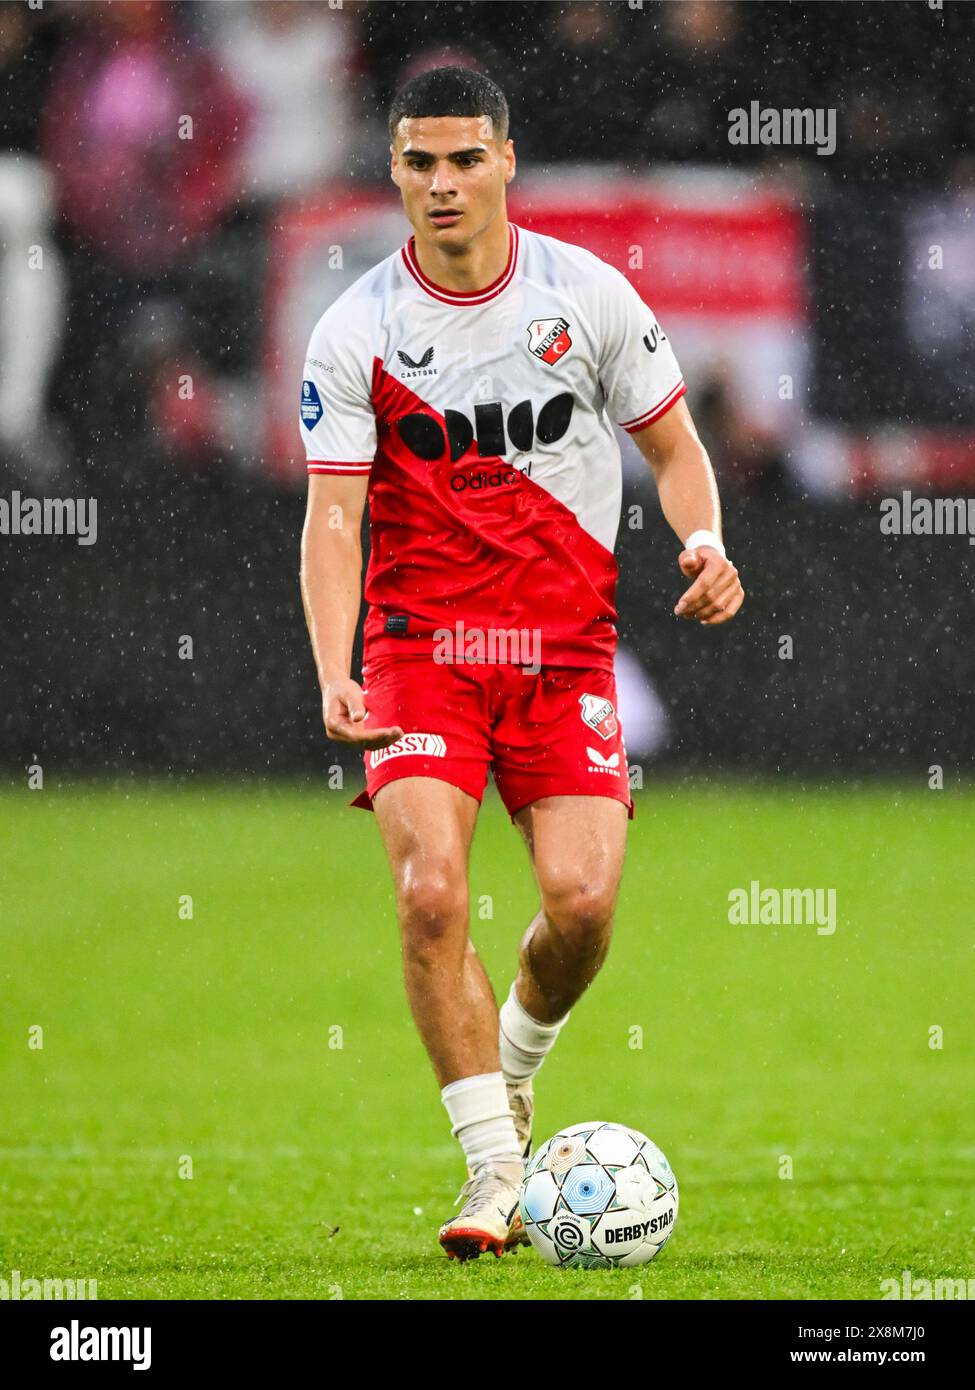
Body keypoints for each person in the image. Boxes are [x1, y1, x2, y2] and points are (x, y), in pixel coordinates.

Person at [298, 66, 744, 1262]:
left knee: (583, 909)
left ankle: (513, 1069)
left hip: (562, 654)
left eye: (462, 159)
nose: (440, 184)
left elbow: (677, 447)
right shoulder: (356, 330)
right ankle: (494, 1164)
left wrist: (703, 539)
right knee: (430, 893)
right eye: (416, 162)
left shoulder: (586, 295)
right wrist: (335, 663)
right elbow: (334, 519)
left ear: (505, 160)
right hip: (420, 654)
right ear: (393, 171)